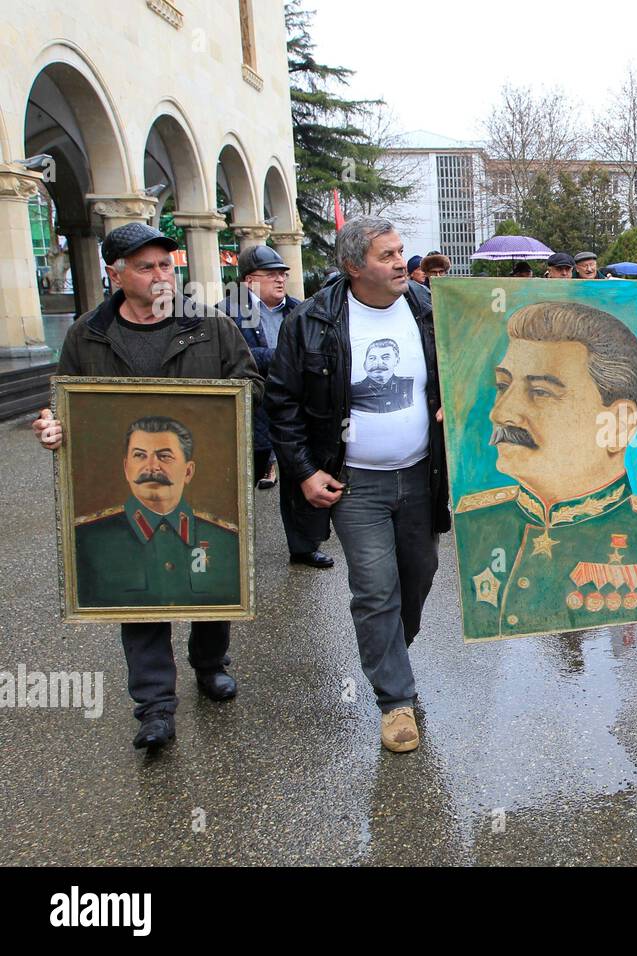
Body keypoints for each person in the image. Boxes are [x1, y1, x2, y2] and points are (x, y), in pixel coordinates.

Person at [31, 222, 261, 752]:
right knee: (137, 591)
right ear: (115, 274)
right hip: (130, 485)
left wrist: (219, 412)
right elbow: (65, 403)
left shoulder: (211, 325)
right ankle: (154, 707)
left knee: (211, 576)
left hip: (202, 481)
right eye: (146, 267)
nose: (161, 276)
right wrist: (52, 427)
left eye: (166, 265)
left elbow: (250, 386)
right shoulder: (87, 335)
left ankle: (210, 664)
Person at [266, 216, 450, 754]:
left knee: (418, 577)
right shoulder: (312, 322)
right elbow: (281, 403)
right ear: (352, 266)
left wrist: (451, 407)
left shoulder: (427, 311)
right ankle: (395, 700)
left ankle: (392, 649)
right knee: (374, 588)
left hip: (422, 475)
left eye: (401, 252)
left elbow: (460, 375)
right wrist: (303, 470)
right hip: (354, 486)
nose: (401, 264)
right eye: (387, 256)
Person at [455, 301, 637, 639]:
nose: (501, 413)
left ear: (619, 423)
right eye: (503, 386)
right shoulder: (473, 518)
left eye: (540, 392)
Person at [225, 245, 332, 569]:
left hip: (293, 412)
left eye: (282, 273)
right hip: (250, 414)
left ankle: (303, 546)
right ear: (247, 281)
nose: (280, 279)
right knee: (240, 484)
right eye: (270, 274)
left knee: (297, 480)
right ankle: (230, 549)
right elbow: (237, 359)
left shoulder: (300, 312)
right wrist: (285, 358)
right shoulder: (228, 314)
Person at [76, 417, 241, 607]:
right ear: (126, 469)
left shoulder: (225, 539)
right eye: (139, 455)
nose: (152, 466)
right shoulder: (88, 539)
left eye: (165, 456)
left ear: (188, 471)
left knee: (212, 633)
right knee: (144, 635)